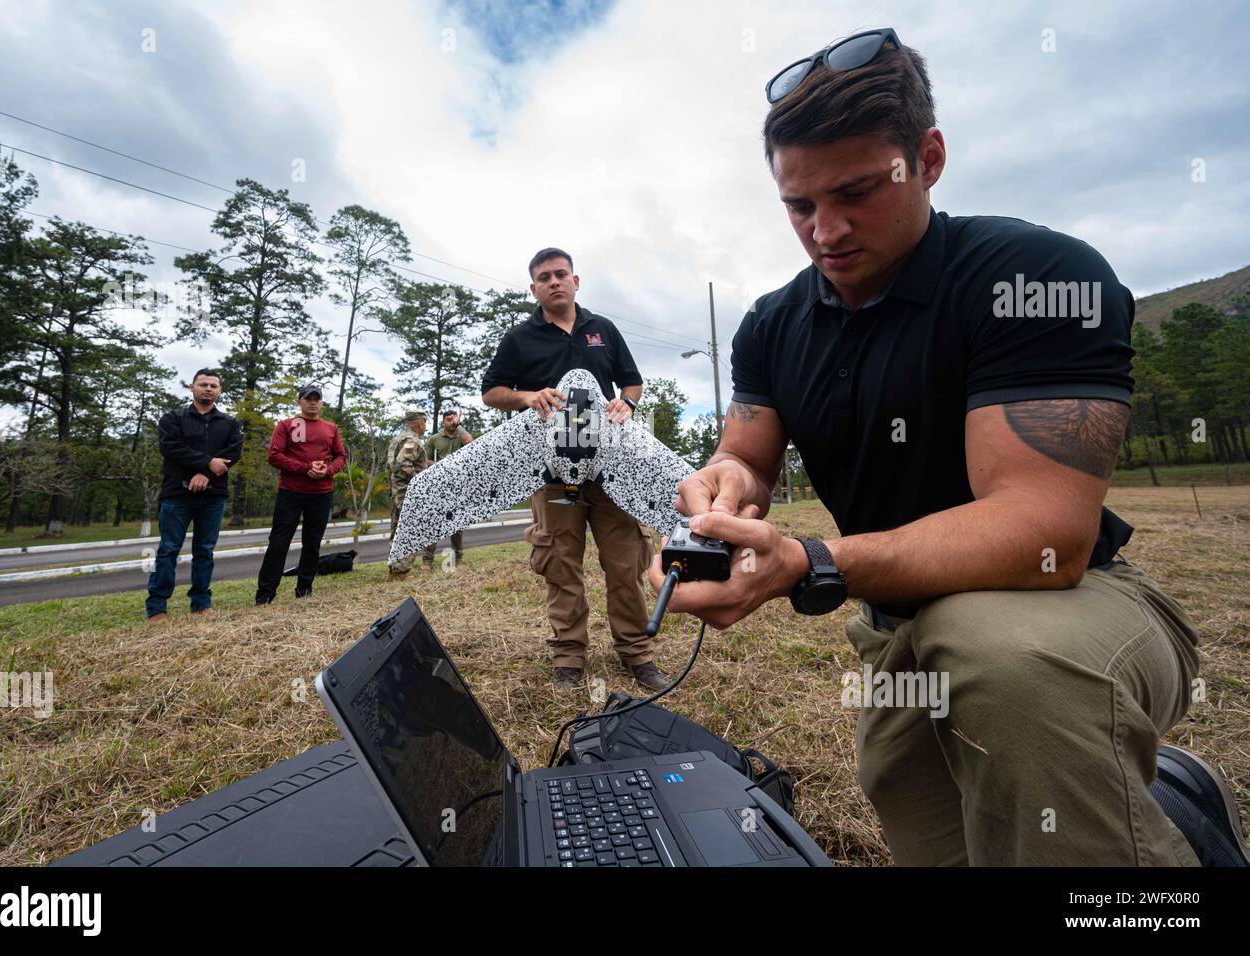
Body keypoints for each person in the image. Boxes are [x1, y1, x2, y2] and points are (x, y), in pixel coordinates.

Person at [652, 29, 1227, 866]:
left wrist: (813, 562)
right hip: (898, 631)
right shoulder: (773, 324)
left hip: (1071, 612)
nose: (826, 230)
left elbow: (1044, 537)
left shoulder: (1034, 278)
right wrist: (722, 489)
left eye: (855, 192)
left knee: (999, 659)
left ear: (927, 157)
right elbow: (746, 454)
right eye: (799, 205)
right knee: (945, 841)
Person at [481, 247, 667, 692]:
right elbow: (491, 392)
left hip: (610, 469)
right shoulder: (520, 338)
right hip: (550, 473)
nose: (554, 282)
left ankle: (636, 653)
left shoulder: (602, 329)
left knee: (625, 563)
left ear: (576, 280)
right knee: (561, 565)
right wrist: (528, 397)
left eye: (561, 274)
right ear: (534, 288)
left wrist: (629, 400)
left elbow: (632, 380)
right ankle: (569, 658)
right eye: (544, 277)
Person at [146, 368, 244, 621]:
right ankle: (157, 607)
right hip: (177, 492)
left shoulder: (230, 423)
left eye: (213, 385)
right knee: (168, 549)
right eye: (203, 384)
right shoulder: (173, 419)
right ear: (192, 387)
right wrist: (208, 462)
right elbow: (170, 449)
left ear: (220, 391)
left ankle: (201, 603)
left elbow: (233, 453)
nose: (208, 389)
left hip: (214, 495)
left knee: (205, 550)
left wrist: (207, 474)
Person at [255, 384, 346, 604]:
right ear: (300, 401)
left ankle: (304, 589)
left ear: (322, 403)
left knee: (313, 543)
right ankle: (265, 594)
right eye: (308, 398)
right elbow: (274, 456)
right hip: (291, 493)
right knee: (279, 542)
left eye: (317, 398)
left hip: (321, 493)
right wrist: (305, 467)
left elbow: (340, 456)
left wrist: (328, 471)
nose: (313, 402)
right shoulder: (286, 425)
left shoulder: (330, 428)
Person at [387, 410, 435, 576]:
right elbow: (403, 464)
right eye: (424, 423)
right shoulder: (412, 440)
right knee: (409, 532)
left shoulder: (398, 438)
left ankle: (394, 569)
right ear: (419, 423)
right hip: (408, 493)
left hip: (397, 491)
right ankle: (401, 571)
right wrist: (419, 480)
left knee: (397, 531)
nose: (425, 426)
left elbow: (393, 465)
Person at [424, 408, 473, 565]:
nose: (451, 421)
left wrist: (459, 425)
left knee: (457, 524)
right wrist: (441, 464)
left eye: (454, 419)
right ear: (442, 422)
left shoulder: (461, 435)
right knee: (434, 522)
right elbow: (425, 460)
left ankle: (457, 559)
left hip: (458, 486)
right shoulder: (434, 439)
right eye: (448, 420)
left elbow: (470, 444)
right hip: (439, 485)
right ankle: (427, 560)